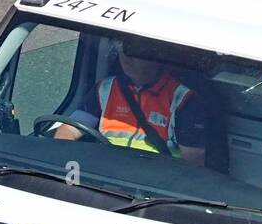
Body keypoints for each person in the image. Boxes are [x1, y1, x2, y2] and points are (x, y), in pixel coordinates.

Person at [55, 35, 208, 165]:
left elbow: (192, 166)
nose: (126, 58)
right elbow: (68, 130)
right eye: (123, 49)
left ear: (156, 58)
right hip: (103, 178)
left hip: (154, 188)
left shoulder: (183, 100)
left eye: (136, 52)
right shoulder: (105, 89)